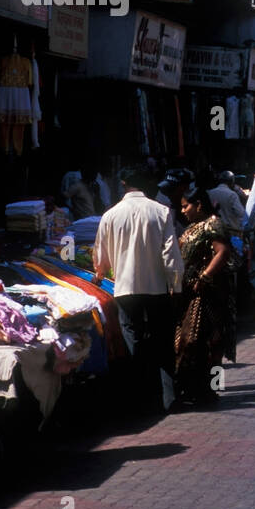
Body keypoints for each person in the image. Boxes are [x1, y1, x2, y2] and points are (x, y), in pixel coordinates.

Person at [93, 166, 184, 414]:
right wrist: (176, 285)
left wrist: (100, 274)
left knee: (134, 341)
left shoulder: (110, 215)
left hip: (125, 289)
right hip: (157, 288)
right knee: (163, 341)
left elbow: (101, 256)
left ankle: (141, 398)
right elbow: (171, 256)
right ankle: (169, 396)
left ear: (123, 185)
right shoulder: (162, 211)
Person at [173, 187, 237, 407]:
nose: (182, 211)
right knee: (191, 343)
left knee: (212, 343)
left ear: (198, 204)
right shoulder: (191, 228)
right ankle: (196, 389)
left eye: (185, 206)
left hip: (209, 294)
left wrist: (205, 277)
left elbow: (223, 251)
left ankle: (213, 390)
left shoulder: (212, 223)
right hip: (191, 293)